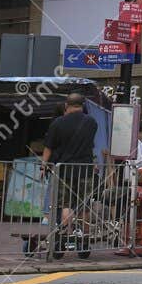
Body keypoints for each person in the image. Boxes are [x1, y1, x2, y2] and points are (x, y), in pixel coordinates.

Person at [42, 94, 100, 242]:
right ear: (82, 105)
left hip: (64, 170)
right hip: (85, 170)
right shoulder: (92, 122)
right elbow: (90, 145)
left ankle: (63, 235)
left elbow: (48, 147)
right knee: (84, 205)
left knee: (65, 204)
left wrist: (44, 166)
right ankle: (83, 237)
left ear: (67, 105)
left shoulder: (58, 123)